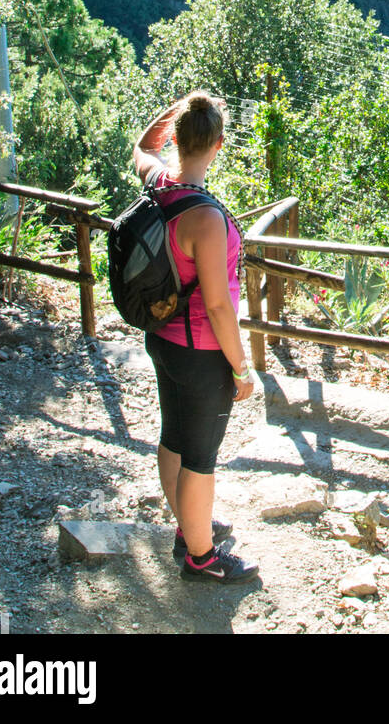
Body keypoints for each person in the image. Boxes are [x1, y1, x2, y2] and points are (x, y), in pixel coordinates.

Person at [133, 91, 258, 583]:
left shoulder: (158, 182)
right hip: (201, 351)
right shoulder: (206, 218)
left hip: (161, 338)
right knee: (201, 456)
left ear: (179, 139)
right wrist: (241, 367)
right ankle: (201, 558)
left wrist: (175, 109)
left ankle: (190, 528)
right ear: (219, 145)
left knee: (174, 436)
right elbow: (219, 305)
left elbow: (142, 147)